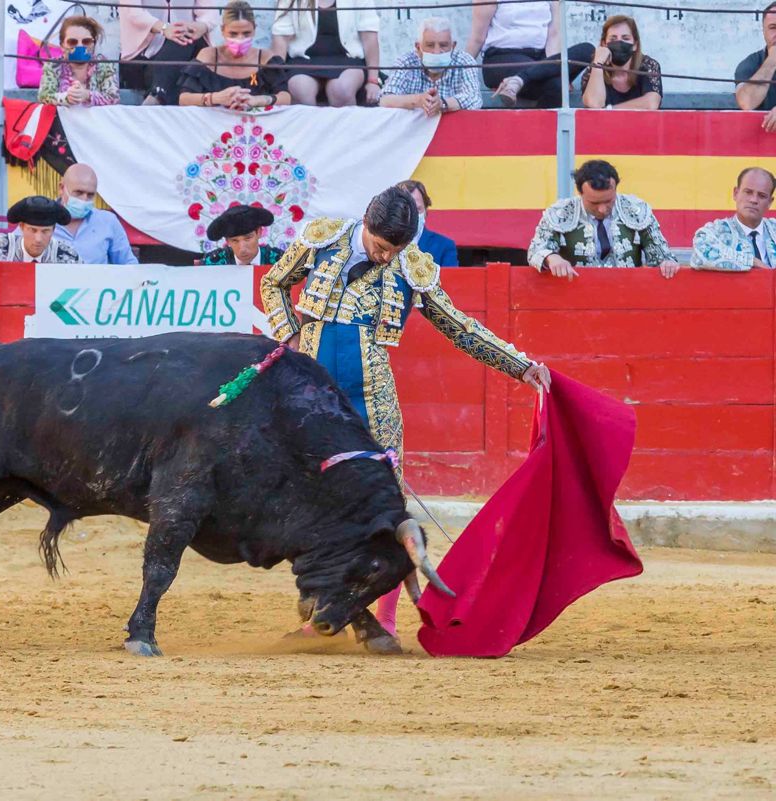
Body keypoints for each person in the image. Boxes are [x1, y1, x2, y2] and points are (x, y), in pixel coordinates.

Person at [261, 186, 550, 643]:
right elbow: (273, 282)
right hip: (312, 398)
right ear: (365, 225)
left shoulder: (411, 267)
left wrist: (521, 365)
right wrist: (290, 336)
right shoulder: (322, 239)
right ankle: (323, 607)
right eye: (379, 247)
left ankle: (385, 619)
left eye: (393, 251)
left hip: (372, 400)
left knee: (385, 511)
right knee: (312, 506)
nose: (384, 258)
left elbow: (459, 325)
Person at [528, 159, 679, 278]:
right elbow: (535, 251)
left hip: (628, 294)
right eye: (594, 203)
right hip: (574, 296)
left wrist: (667, 263)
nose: (602, 209)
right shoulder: (560, 213)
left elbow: (662, 256)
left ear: (616, 189)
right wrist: (552, 257)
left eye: (608, 201)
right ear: (580, 193)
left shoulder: (637, 210)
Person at [466, 0, 594, 109]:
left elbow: (554, 36)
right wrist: (460, 73)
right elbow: (477, 38)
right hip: (501, 59)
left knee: (588, 50)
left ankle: (518, 80)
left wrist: (554, 70)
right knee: (556, 85)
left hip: (539, 59)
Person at [178, 1, 291, 110]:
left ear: (254, 30)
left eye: (246, 33)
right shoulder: (209, 56)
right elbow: (184, 99)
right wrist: (216, 98)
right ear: (222, 30)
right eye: (233, 33)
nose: (240, 39)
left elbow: (285, 97)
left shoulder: (265, 58)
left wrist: (257, 101)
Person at [271, 0, 380, 107]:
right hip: (303, 62)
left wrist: (373, 81)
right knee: (301, 90)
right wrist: (277, 83)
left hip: (348, 61)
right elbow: (281, 38)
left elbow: (369, 38)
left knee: (341, 90)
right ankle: (310, 125)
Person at [120, 0, 219, 105]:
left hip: (188, 49)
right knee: (182, 42)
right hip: (144, 58)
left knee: (185, 39)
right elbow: (134, 13)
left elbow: (210, 13)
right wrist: (165, 28)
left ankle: (157, 95)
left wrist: (200, 26)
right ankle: (158, 95)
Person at [380, 17, 482, 116]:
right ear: (418, 47)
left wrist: (443, 104)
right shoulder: (406, 62)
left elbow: (474, 99)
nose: (436, 52)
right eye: (430, 45)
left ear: (453, 46)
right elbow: (385, 100)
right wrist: (418, 100)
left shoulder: (464, 61)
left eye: (443, 45)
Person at [692, 168, 776, 271]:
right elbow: (701, 255)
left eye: (762, 196)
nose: (754, 200)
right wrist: (752, 262)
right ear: (736, 193)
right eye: (748, 192)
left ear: (770, 202)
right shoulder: (715, 232)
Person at [54, 164, 138, 265]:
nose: (84, 199)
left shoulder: (108, 222)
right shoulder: (41, 220)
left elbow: (129, 265)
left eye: (90, 195)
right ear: (62, 188)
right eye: (78, 192)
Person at [581, 15, 662, 110]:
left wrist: (610, 110)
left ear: (635, 45)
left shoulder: (648, 65)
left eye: (625, 38)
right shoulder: (593, 70)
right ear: (604, 44)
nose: (619, 43)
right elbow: (593, 104)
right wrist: (598, 64)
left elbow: (651, 103)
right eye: (613, 39)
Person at [37, 15, 119, 107]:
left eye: (86, 41)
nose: (80, 46)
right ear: (62, 45)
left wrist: (87, 95)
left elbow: (113, 98)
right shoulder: (53, 66)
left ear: (93, 44)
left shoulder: (104, 66)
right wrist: (66, 98)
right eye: (72, 42)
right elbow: (44, 96)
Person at [0, 196, 80, 264]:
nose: (38, 239)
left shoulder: (68, 258)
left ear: (53, 229)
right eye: (33, 230)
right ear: (21, 227)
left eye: (45, 231)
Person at [735, 1, 776, 134]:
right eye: (773, 27)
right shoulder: (750, 64)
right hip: (761, 147)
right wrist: (772, 60)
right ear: (763, 31)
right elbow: (747, 103)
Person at [397, 179, 459, 266]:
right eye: (405, 209)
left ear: (425, 210)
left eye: (417, 209)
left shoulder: (444, 246)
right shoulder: (383, 244)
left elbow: (450, 279)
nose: (412, 214)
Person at [203, 205, 284, 265]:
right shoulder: (212, 263)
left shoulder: (281, 262)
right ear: (227, 241)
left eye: (248, 238)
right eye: (234, 240)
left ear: (259, 232)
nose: (242, 249)